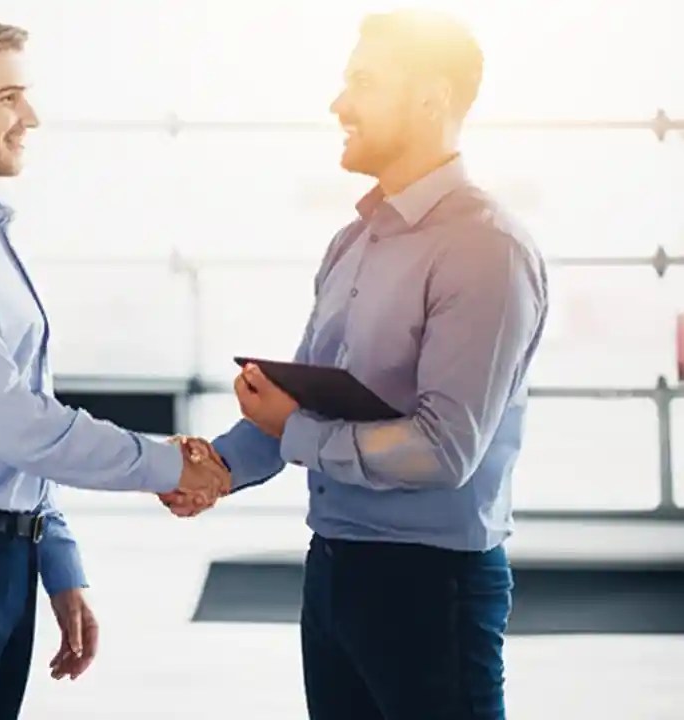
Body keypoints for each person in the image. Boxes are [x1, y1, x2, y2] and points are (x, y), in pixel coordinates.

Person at [0, 7, 230, 719]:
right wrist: (174, 465)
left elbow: (15, 424)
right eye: (8, 97)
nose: (32, 115)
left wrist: (56, 560)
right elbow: (21, 425)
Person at [168, 9, 549, 720]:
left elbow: (445, 448)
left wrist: (293, 430)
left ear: (433, 97)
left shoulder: (485, 249)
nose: (338, 103)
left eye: (363, 82)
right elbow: (296, 406)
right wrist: (213, 469)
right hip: (335, 571)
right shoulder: (353, 241)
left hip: (432, 588)